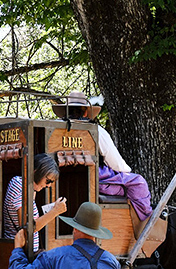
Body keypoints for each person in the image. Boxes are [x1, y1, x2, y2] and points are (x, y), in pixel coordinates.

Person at [52, 91, 153, 222]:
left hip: (58, 179)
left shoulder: (54, 128)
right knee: (138, 183)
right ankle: (145, 223)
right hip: (94, 180)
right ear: (86, 112)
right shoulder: (97, 130)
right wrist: (126, 171)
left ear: (65, 111)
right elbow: (116, 164)